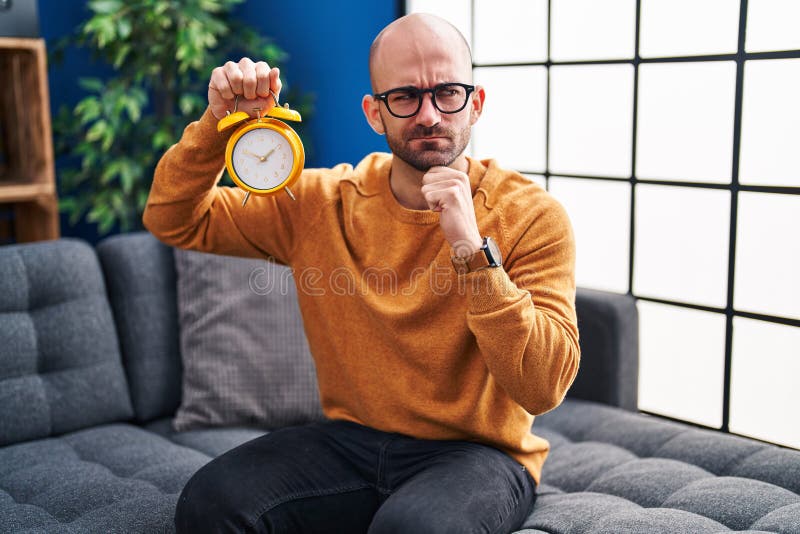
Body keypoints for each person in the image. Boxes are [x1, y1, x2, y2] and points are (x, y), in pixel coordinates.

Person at [144, 12, 579, 534]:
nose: (429, 115)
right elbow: (173, 219)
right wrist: (216, 125)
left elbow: (543, 387)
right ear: (375, 113)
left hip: (480, 455)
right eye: (405, 97)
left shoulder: (531, 215)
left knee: (413, 530)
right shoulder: (319, 203)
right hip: (350, 441)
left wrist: (470, 248)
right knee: (209, 502)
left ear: (475, 103)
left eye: (448, 93)